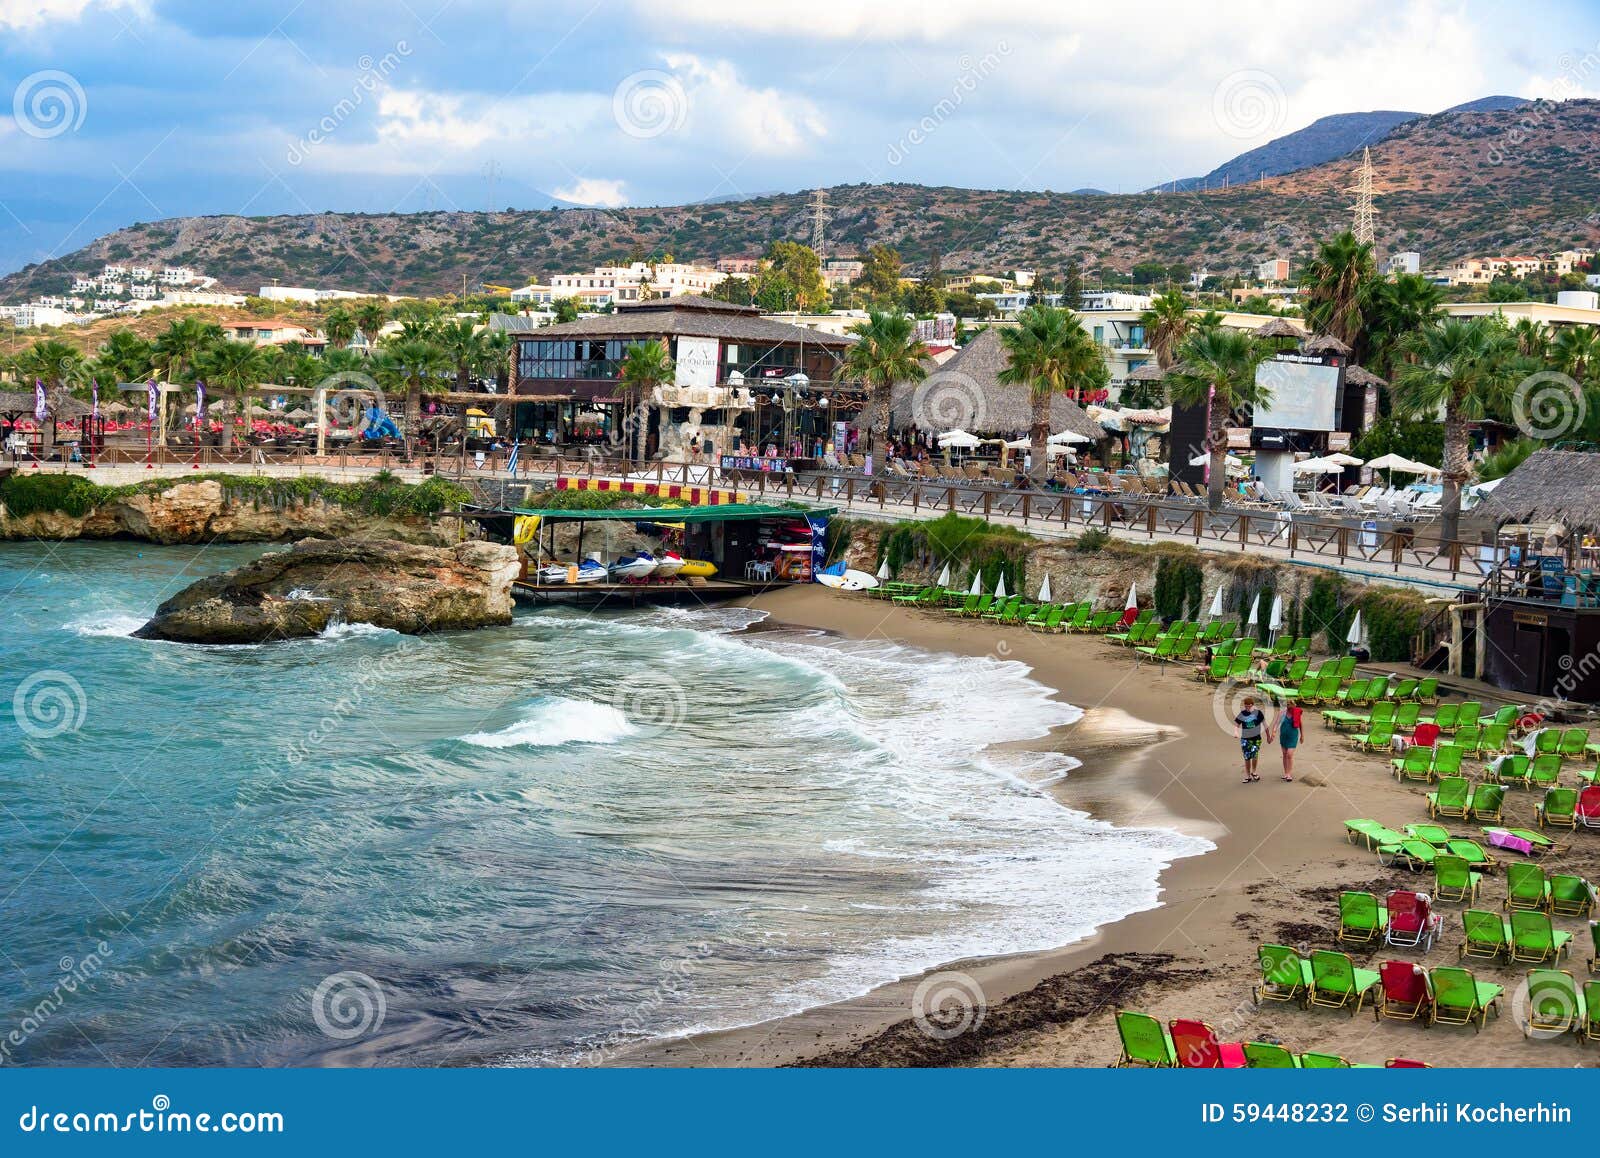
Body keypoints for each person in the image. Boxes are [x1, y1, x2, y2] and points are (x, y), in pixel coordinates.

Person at [1233, 696, 1266, 783]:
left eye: (1249, 706)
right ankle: (1248, 776)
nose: (1247, 707)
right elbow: (1236, 724)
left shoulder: (1258, 713)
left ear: (1253, 705)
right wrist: (1236, 732)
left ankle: (1254, 772)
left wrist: (1269, 736)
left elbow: (1265, 724)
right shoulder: (1242, 714)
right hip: (1245, 739)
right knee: (1247, 757)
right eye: (1246, 706)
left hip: (1256, 738)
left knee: (1254, 755)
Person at [1276, 702, 1303, 782]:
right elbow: (1277, 723)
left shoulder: (1296, 713)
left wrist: (1302, 735)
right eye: (1288, 705)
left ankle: (1289, 774)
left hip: (1293, 736)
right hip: (1283, 736)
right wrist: (1274, 732)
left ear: (1294, 706)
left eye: (1291, 705)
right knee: (1284, 754)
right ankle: (1286, 773)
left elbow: (1300, 724)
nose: (1289, 707)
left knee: (1289, 754)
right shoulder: (1282, 713)